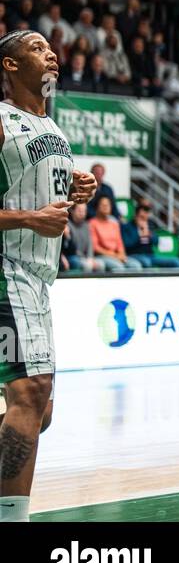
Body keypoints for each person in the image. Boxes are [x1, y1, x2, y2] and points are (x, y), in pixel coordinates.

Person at [0, 30, 99, 523]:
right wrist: (29, 220)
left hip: (39, 280)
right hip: (5, 270)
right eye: (37, 48)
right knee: (30, 392)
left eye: (50, 47)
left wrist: (78, 187)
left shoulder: (52, 128)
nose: (52, 53)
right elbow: (30, 211)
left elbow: (43, 195)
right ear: (10, 67)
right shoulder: (0, 120)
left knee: (41, 412)